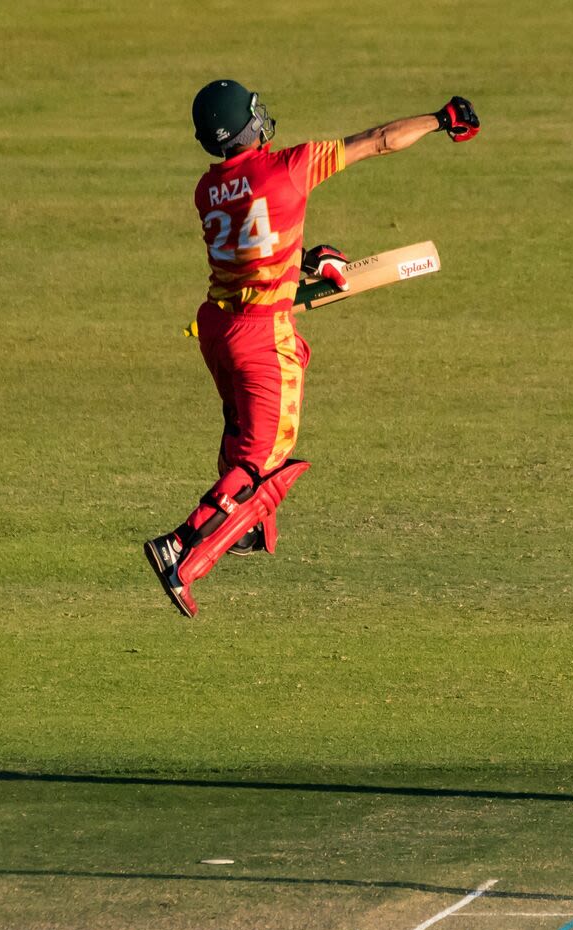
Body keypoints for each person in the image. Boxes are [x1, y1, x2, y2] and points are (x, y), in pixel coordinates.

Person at [145, 79, 480, 618]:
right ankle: (180, 549)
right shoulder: (291, 166)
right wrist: (441, 119)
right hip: (261, 334)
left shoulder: (207, 190)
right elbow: (380, 140)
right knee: (264, 456)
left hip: (219, 326)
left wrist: (304, 261)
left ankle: (245, 530)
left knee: (242, 432)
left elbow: (251, 246)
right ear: (249, 125)